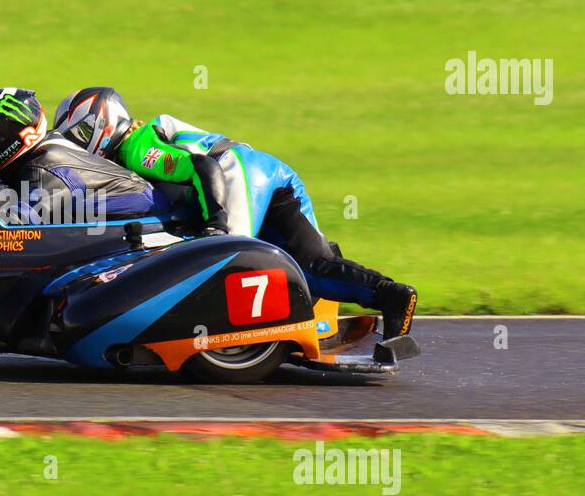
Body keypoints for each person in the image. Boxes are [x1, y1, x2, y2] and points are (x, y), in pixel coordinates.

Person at [53, 86, 418, 337]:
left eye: (82, 134)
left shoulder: (136, 146)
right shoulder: (134, 147)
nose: (80, 146)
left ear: (106, 120)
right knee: (312, 266)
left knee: (223, 258)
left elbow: (202, 168)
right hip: (268, 172)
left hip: (236, 170)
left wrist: (216, 226)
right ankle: (391, 296)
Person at [0, 87, 160, 225]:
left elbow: (17, 224)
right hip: (118, 233)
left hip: (152, 228)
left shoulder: (47, 163)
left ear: (12, 134)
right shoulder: (36, 158)